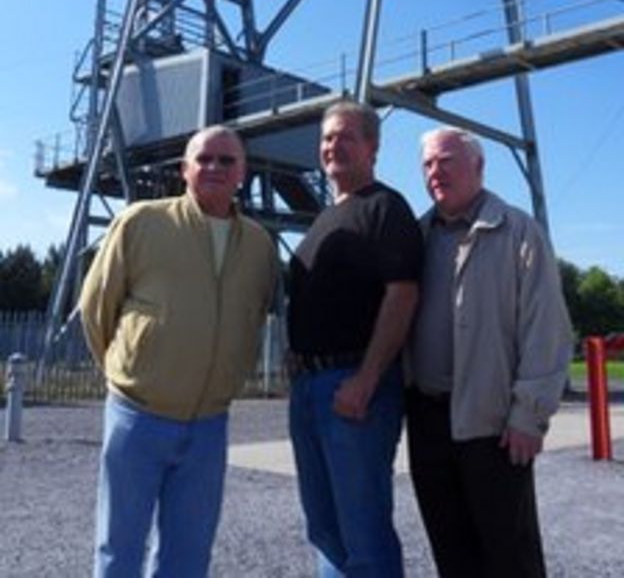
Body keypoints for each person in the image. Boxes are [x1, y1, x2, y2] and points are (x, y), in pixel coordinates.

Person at [79, 125, 278, 578]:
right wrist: (127, 372)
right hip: (137, 415)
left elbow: (255, 315)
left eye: (227, 160)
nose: (214, 167)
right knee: (119, 548)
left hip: (209, 423)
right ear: (183, 169)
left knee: (189, 556)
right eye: (204, 158)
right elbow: (96, 308)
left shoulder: (260, 246)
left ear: (243, 173)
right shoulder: (142, 222)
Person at [403, 127, 573, 578]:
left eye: (446, 161)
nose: (435, 172)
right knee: (451, 551)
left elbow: (547, 330)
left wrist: (529, 414)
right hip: (428, 419)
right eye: (427, 164)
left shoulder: (517, 232)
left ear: (478, 167)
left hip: (494, 425)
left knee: (509, 556)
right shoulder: (415, 238)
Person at [287, 100, 424, 577]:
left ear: (373, 147)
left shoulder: (385, 207)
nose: (332, 145)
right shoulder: (326, 217)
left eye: (345, 136)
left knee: (363, 534)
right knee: (325, 528)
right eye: (326, 138)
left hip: (353, 386)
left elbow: (403, 295)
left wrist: (366, 379)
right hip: (309, 388)